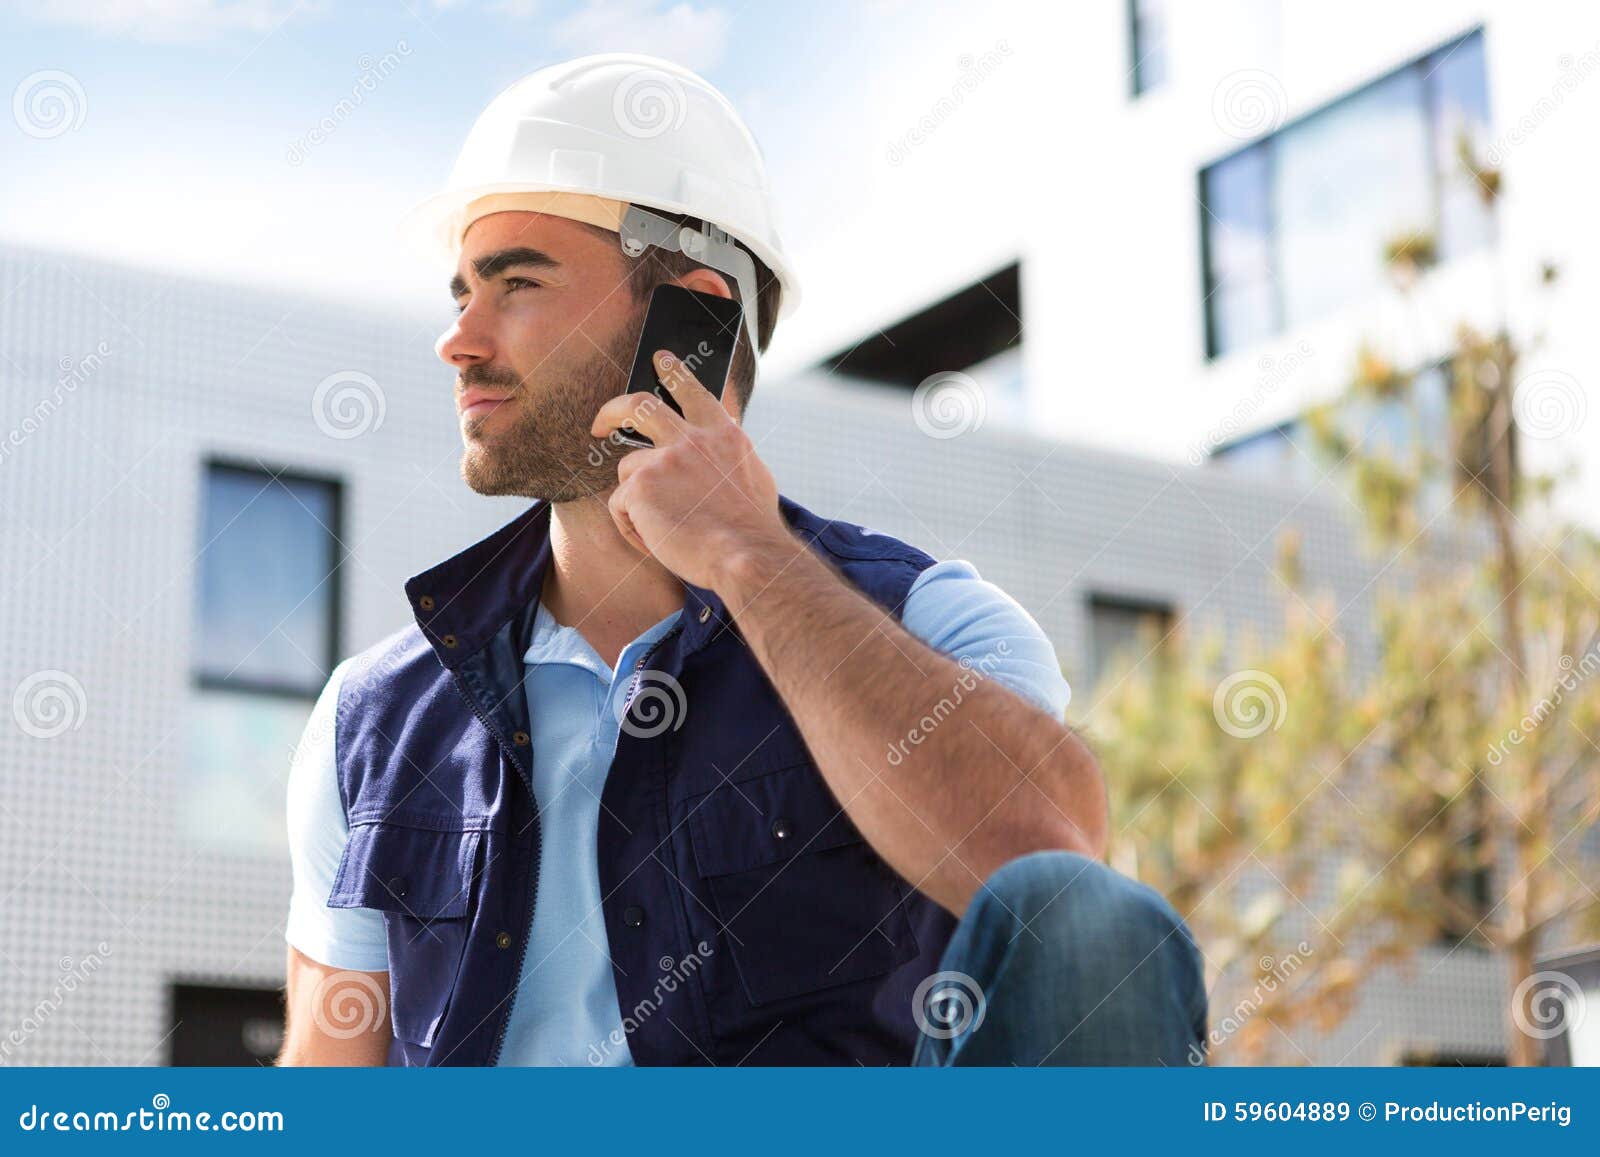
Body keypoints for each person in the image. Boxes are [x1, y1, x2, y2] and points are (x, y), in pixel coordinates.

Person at [277, 53, 1205, 1067]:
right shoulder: (370, 718)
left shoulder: (931, 626)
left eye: (517, 286)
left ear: (692, 318)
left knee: (1090, 923)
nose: (458, 339)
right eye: (459, 293)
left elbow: (1053, 886)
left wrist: (748, 553)